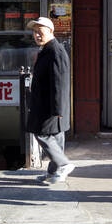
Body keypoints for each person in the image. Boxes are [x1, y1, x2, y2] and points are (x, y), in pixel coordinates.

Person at [26, 17, 74, 185]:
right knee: (56, 138)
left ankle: (63, 164)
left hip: (51, 106)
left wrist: (59, 109)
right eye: (35, 32)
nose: (37, 35)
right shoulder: (47, 50)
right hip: (48, 104)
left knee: (42, 133)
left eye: (41, 32)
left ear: (51, 32)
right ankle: (53, 173)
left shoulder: (55, 51)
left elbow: (60, 82)